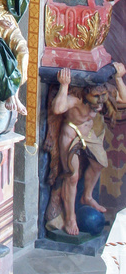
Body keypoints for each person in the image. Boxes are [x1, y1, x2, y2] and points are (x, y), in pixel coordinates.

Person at [46, 65, 126, 236]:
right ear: (85, 94)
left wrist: (119, 78)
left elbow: (124, 99)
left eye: (102, 96)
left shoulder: (103, 97)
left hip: (89, 133)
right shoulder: (75, 100)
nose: (99, 102)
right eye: (95, 97)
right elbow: (58, 108)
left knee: (100, 163)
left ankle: (87, 196)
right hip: (71, 133)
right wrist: (64, 85)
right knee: (72, 176)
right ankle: (70, 218)